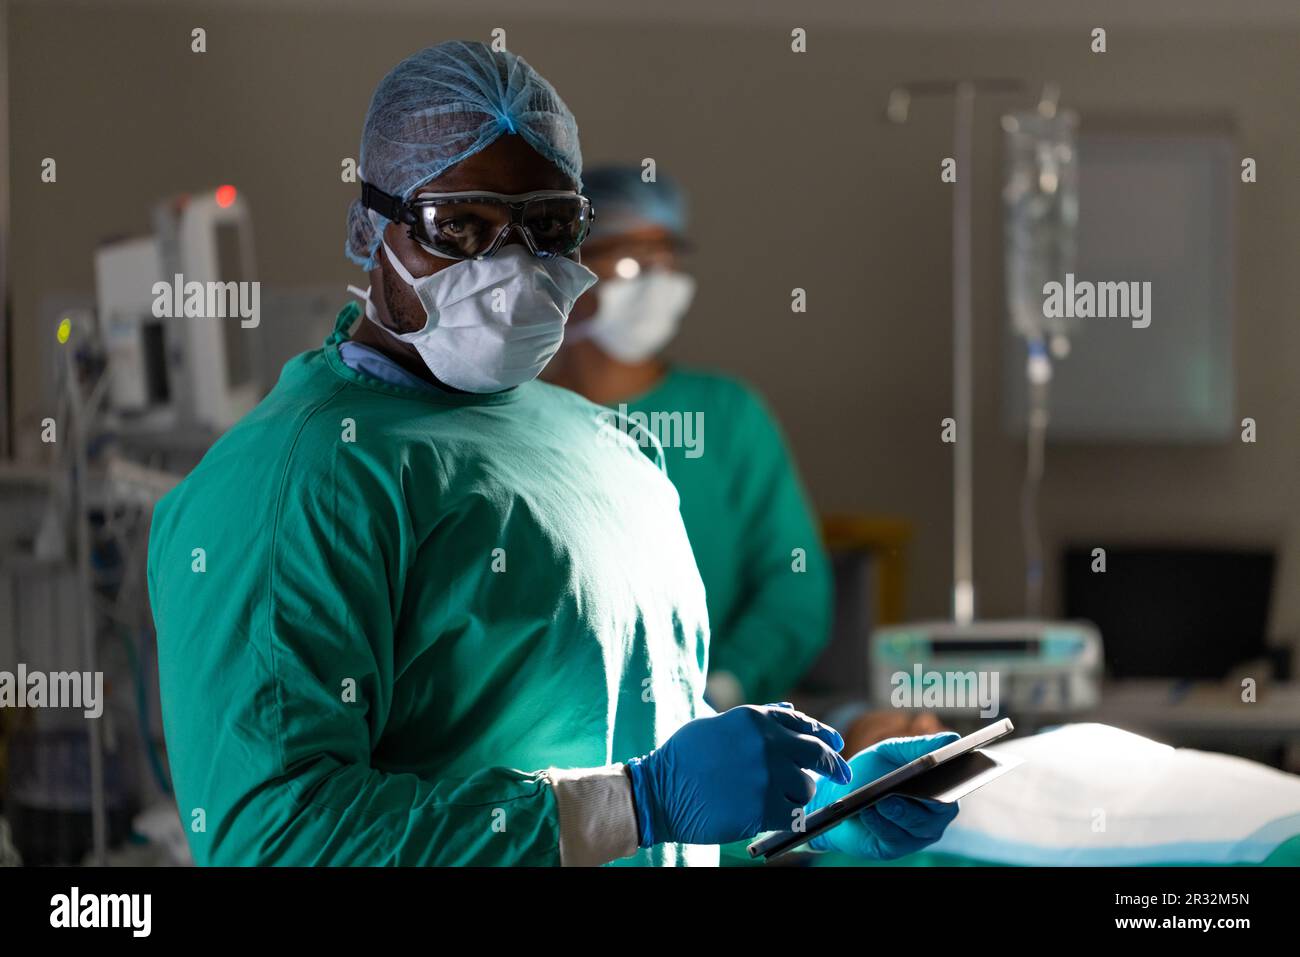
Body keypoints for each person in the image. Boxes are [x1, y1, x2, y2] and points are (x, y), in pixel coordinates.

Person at [147, 41, 958, 866]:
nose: (511, 264)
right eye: (460, 225)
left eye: (550, 226)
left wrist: (809, 804)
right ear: (369, 227)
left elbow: (646, 753)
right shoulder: (295, 483)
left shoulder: (602, 445)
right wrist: (635, 804)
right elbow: (277, 841)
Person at [545, 167, 831, 710]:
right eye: (630, 261)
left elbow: (794, 588)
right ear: (566, 270)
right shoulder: (517, 420)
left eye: (667, 259)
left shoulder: (727, 415)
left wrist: (720, 692)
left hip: (713, 722)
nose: (656, 280)